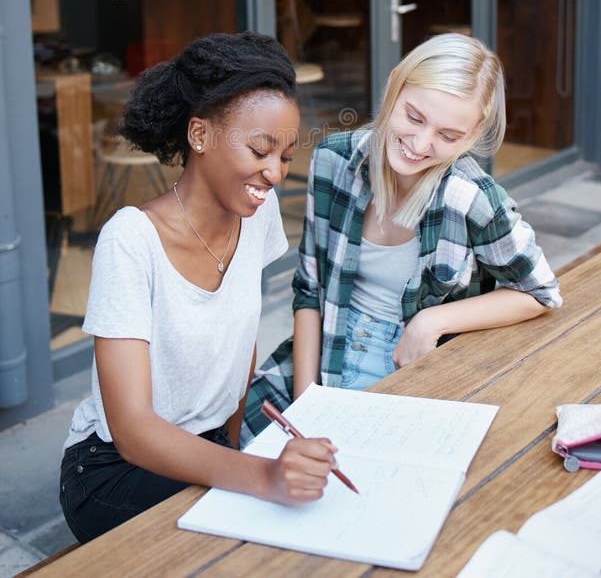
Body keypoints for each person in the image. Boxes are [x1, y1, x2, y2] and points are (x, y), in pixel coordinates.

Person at [59, 31, 340, 544]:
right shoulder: (131, 239)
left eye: (286, 157)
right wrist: (259, 475)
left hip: (204, 445)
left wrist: (233, 449)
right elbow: (132, 430)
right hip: (114, 468)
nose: (274, 173)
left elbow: (239, 341)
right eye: (260, 149)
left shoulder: (256, 212)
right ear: (200, 135)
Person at [243, 32, 562, 440]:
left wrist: (431, 320)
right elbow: (309, 291)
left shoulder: (471, 198)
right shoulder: (333, 160)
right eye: (413, 117)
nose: (420, 144)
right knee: (236, 457)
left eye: (448, 136)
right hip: (322, 353)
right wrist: (310, 405)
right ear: (394, 84)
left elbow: (540, 292)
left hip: (413, 376)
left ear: (474, 132)